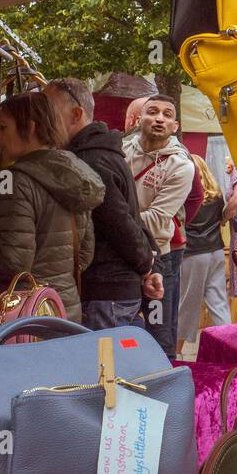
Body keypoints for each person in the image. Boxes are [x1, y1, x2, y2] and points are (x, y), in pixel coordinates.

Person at [0, 94, 103, 329]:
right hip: (64, 308)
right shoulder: (74, 173)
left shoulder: (14, 179)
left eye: (3, 127)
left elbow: (13, 264)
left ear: (30, 127)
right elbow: (83, 255)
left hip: (22, 316)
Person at [45, 78, 161, 329]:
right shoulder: (101, 152)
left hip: (107, 291)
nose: (44, 121)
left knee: (106, 367)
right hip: (113, 290)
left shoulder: (90, 159)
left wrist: (147, 265)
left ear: (76, 114)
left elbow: (121, 223)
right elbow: (131, 217)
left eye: (49, 112)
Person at [124, 94, 194, 357]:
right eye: (152, 112)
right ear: (139, 118)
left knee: (159, 328)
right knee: (121, 325)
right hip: (120, 257)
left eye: (167, 115)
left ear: (175, 126)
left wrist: (114, 222)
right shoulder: (121, 152)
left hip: (158, 256)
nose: (159, 118)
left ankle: (167, 385)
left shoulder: (182, 166)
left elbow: (157, 218)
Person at [178, 155, 230, 352]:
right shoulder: (217, 196)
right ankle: (228, 348)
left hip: (193, 254)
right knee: (219, 303)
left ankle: (176, 353)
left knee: (186, 307)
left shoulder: (185, 197)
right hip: (216, 251)